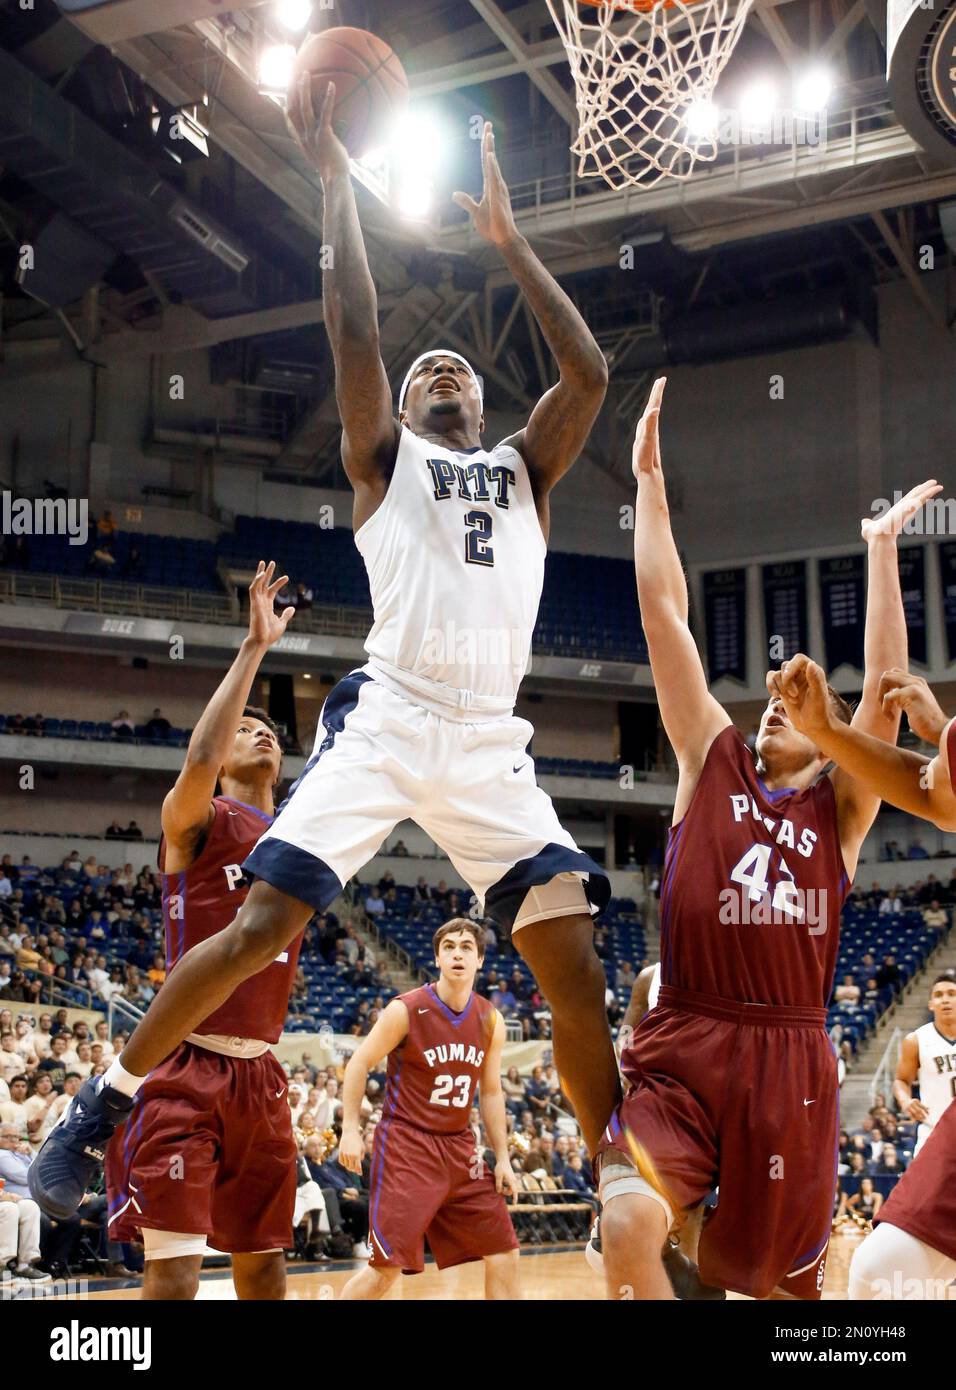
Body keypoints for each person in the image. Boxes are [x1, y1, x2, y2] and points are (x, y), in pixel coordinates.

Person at [27, 78, 618, 1221]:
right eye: (419, 372)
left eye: (458, 369)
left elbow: (585, 373)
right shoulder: (384, 463)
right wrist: (335, 181)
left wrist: (508, 240)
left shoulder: (524, 471)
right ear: (394, 412)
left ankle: (614, 1174)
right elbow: (353, 324)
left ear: (484, 401)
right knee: (258, 929)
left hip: (490, 741)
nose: (438, 369)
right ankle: (100, 1102)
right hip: (391, 712)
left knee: (574, 960)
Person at [594, 378, 933, 1301]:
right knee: (627, 1223)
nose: (774, 708)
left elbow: (889, 693)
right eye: (768, 703)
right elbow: (666, 614)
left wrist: (881, 548)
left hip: (791, 1061)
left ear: (824, 744)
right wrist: (650, 490)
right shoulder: (710, 761)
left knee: (782, 1294)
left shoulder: (841, 807)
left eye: (795, 706)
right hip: (687, 1039)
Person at [31, 564, 302, 1302]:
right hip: (183, 1066)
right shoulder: (200, 821)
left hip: (263, 1076)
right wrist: (254, 650)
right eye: (248, 727)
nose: (260, 734)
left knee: (266, 1269)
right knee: (176, 1277)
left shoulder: (302, 838)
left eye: (272, 731)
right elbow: (200, 759)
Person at [336, 918, 519, 1299]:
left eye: (467, 947)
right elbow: (358, 1063)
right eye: (449, 946)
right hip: (408, 1145)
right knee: (385, 1270)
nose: (457, 953)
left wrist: (502, 1158)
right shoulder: (406, 1009)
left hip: (460, 1147)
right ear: (437, 957)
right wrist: (350, 1130)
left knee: (504, 1251)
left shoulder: (491, 1019)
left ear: (480, 960)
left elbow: (490, 1092)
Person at [892, 974, 956, 1155]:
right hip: (934, 1133)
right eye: (939, 995)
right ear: (931, 1004)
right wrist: (906, 1101)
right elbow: (901, 1080)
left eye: (952, 993)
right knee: (922, 1184)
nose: (945, 1000)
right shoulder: (916, 1040)